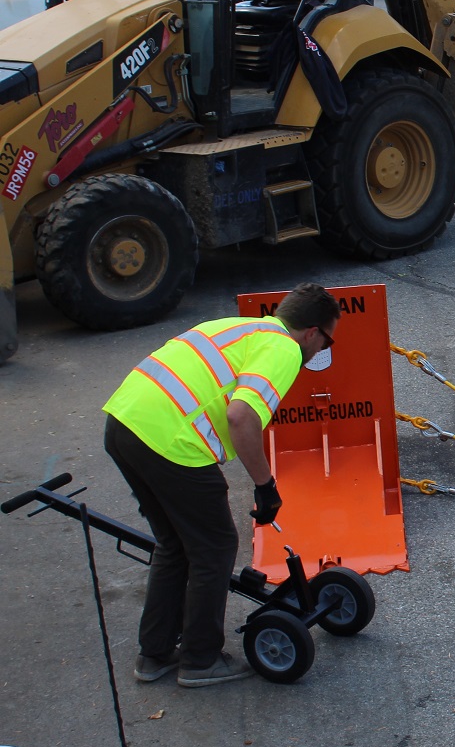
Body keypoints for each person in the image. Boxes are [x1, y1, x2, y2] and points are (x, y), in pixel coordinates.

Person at [103, 283, 341, 687]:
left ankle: (155, 654)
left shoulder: (240, 328)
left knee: (175, 543)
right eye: (326, 341)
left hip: (123, 425)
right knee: (214, 546)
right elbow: (241, 417)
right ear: (313, 332)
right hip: (170, 441)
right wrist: (265, 486)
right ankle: (200, 659)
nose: (320, 352)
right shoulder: (284, 349)